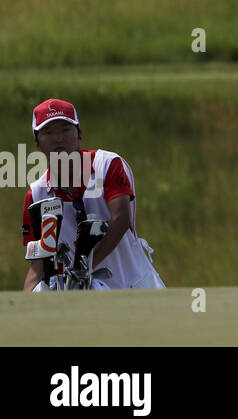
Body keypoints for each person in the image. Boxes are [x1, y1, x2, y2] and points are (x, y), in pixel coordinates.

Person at [21, 99, 165, 291]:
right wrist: (24, 306)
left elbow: (121, 219)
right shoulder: (37, 194)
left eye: (66, 129)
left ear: (79, 134)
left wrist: (84, 268)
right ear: (37, 142)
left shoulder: (107, 165)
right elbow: (38, 266)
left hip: (136, 285)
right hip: (86, 297)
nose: (58, 138)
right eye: (48, 132)